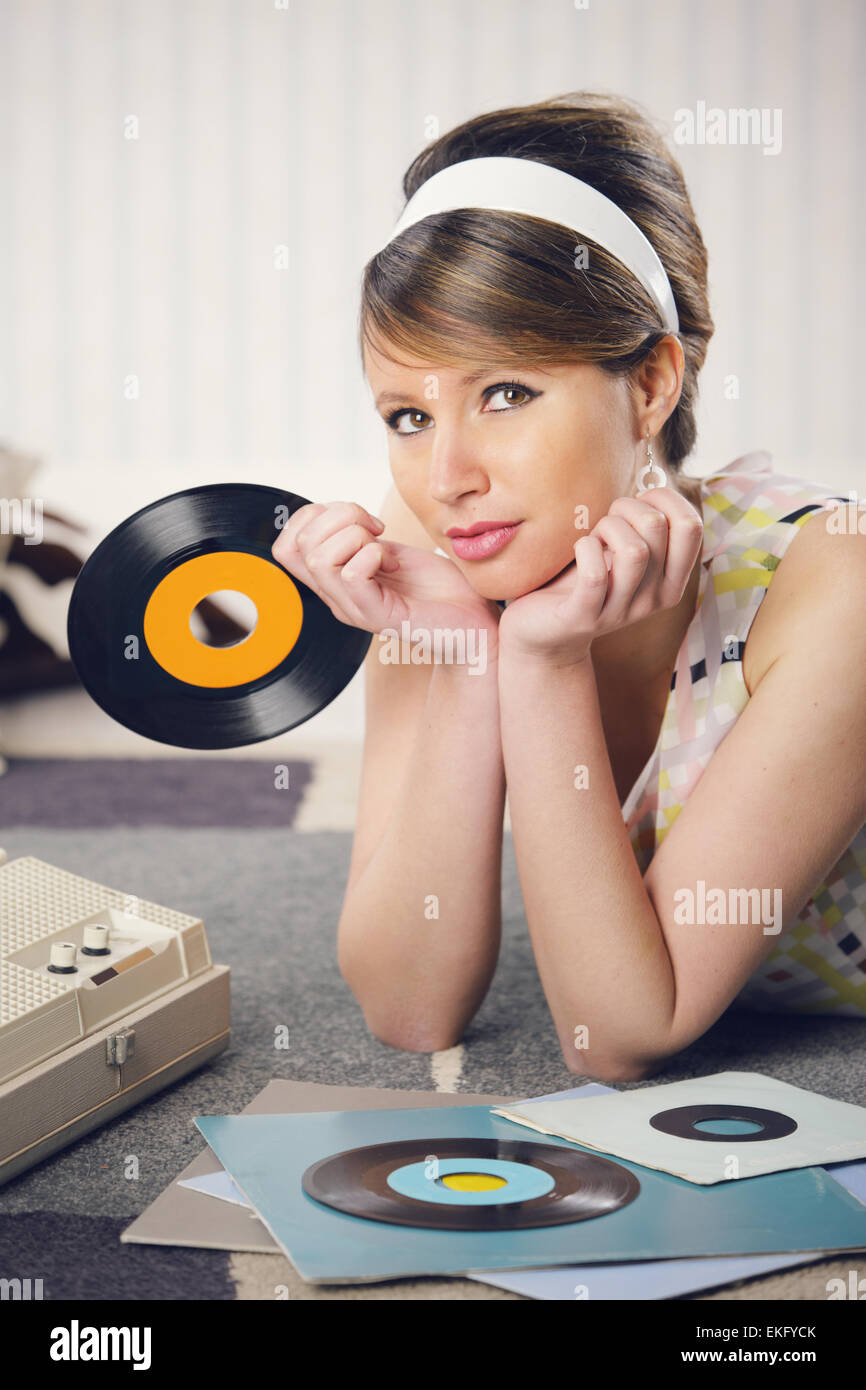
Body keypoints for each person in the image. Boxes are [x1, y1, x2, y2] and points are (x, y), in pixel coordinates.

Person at [271, 93, 866, 1081]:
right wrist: (467, 656)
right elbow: (409, 1006)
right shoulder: (439, 538)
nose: (446, 474)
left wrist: (543, 664)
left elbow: (623, 1030)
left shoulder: (833, 589)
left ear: (648, 385)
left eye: (504, 392)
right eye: (408, 414)